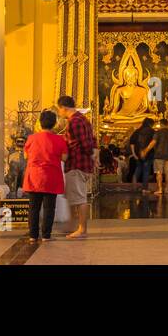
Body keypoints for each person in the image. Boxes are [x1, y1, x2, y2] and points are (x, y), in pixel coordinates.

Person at [22, 109, 68, 243]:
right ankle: (46, 235)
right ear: (54, 124)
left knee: (33, 208)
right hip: (51, 177)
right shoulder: (59, 139)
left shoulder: (31, 138)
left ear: (40, 123)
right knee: (49, 207)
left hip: (34, 176)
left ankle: (33, 235)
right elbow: (64, 157)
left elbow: (26, 155)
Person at [56, 94, 96, 239]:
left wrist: (91, 154)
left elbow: (86, 143)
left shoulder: (75, 121)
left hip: (77, 163)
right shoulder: (83, 119)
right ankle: (72, 225)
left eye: (59, 110)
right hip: (79, 163)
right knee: (72, 196)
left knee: (79, 199)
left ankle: (82, 229)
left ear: (64, 108)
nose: (59, 113)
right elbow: (93, 139)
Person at [129, 117, 156, 191]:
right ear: (151, 124)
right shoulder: (152, 131)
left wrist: (134, 154)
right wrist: (146, 151)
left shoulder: (137, 131)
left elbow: (132, 143)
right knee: (146, 171)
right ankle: (145, 189)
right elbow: (154, 142)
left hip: (138, 154)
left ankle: (133, 187)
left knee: (138, 170)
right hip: (148, 154)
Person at [151, 120, 168, 195]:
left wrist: (146, 150)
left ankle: (160, 189)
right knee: (167, 173)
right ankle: (167, 189)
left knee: (159, 173)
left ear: (161, 124)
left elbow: (153, 142)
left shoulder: (158, 133)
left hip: (159, 155)